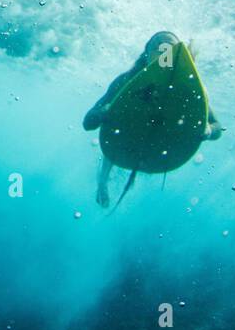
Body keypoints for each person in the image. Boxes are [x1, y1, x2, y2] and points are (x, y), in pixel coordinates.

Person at [83, 31, 222, 208]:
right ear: (146, 55)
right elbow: (88, 122)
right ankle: (102, 184)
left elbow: (218, 127)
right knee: (114, 135)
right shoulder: (126, 80)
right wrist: (103, 112)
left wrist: (208, 130)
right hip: (127, 138)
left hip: (162, 143)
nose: (163, 50)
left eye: (169, 47)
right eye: (158, 45)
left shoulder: (191, 89)